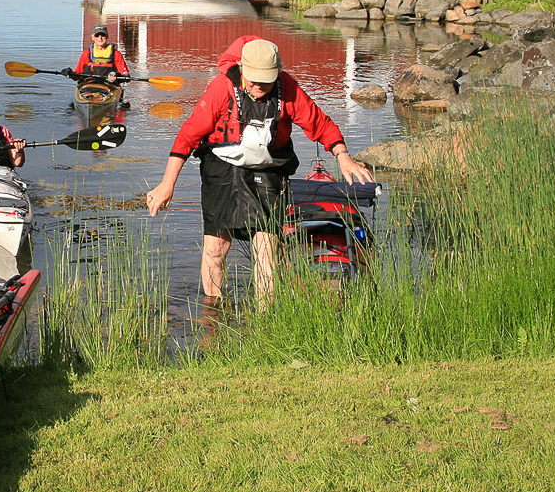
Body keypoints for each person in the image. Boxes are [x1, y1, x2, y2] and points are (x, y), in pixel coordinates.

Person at [144, 36, 373, 311]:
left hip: (269, 171)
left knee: (266, 248)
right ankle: (213, 316)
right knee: (216, 249)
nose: (258, 86)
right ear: (242, 69)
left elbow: (320, 123)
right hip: (222, 169)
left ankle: (266, 320)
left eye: (266, 80)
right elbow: (188, 136)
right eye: (253, 79)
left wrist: (343, 157)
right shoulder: (222, 87)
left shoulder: (287, 88)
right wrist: (167, 184)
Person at [64, 24, 130, 84]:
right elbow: (77, 76)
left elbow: (126, 75)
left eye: (103, 35)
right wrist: (69, 72)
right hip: (89, 87)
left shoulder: (116, 54)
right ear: (93, 37)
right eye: (97, 35)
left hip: (109, 86)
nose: (100, 38)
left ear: (107, 36)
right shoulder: (86, 53)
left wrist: (118, 75)